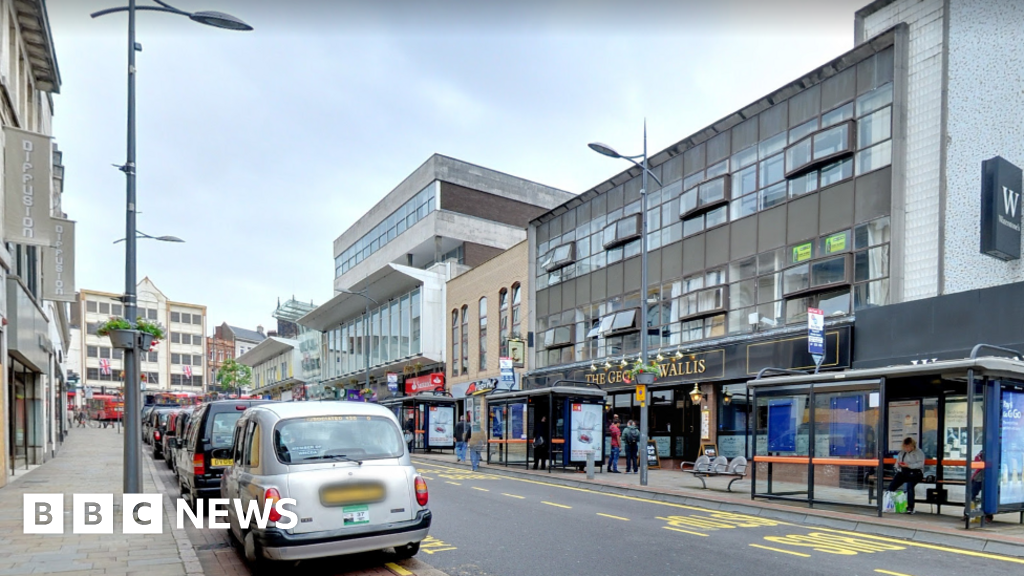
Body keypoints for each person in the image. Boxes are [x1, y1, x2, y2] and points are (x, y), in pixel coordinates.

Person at [889, 437, 925, 514]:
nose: (907, 449)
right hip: (904, 472)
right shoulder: (902, 453)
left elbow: (920, 464)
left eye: (908, 447)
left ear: (913, 446)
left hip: (915, 473)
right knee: (891, 487)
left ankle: (910, 507)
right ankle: (888, 504)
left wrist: (908, 465)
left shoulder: (919, 452)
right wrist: (899, 465)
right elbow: (897, 463)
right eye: (905, 447)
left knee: (910, 487)